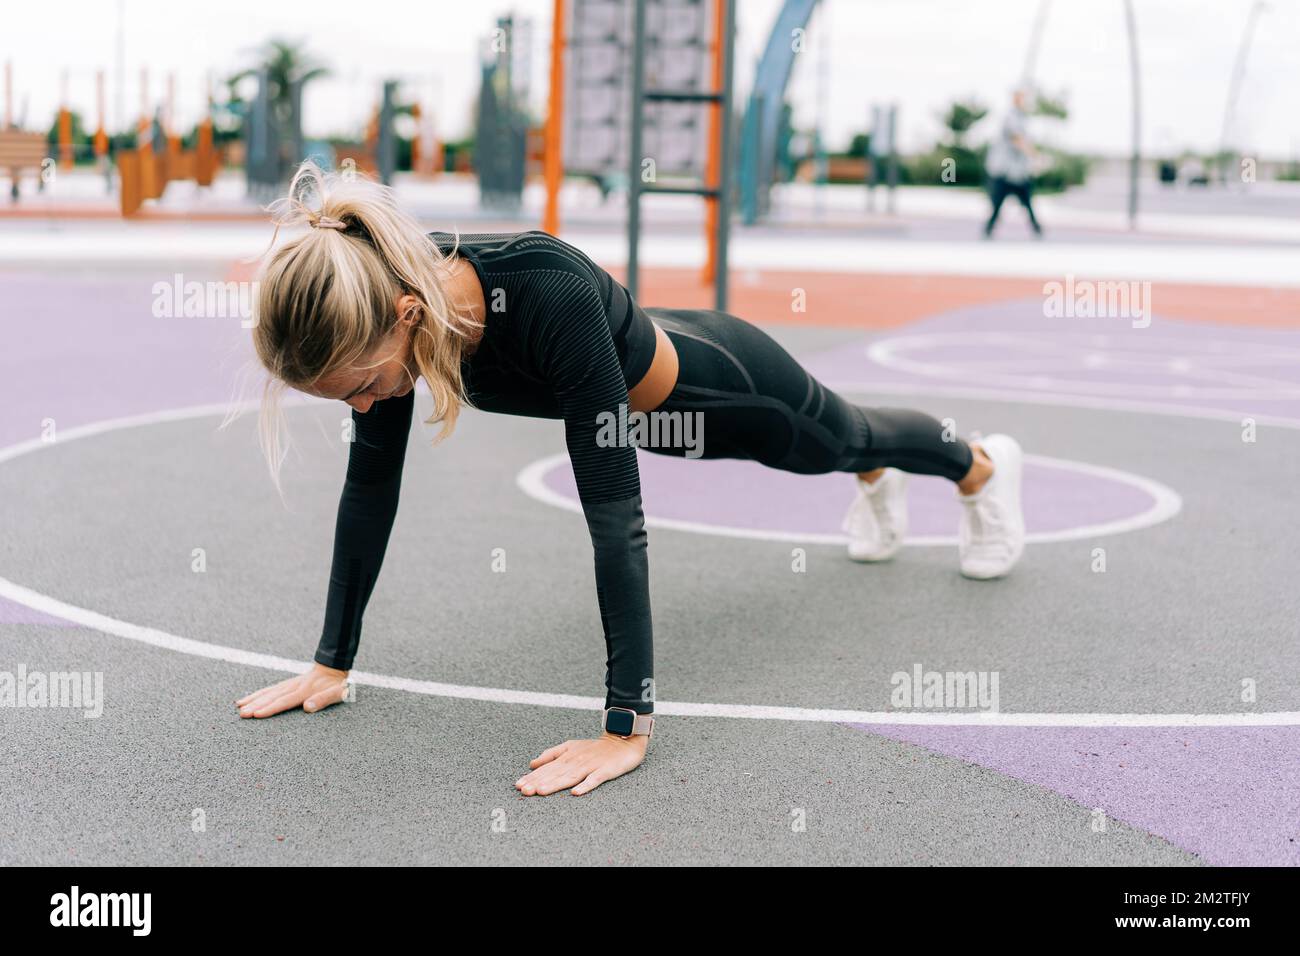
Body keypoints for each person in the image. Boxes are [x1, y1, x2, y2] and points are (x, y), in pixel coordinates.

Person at [235, 162, 1026, 797]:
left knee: (844, 435)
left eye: (364, 387)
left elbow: (615, 519)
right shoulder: (379, 289)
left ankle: (980, 467)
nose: (368, 407)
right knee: (849, 448)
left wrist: (625, 727)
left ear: (408, 314)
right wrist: (331, 663)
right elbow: (370, 486)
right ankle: (877, 475)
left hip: (733, 395)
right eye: (350, 399)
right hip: (650, 409)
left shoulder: (546, 292)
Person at [984, 89, 1042, 238]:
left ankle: (1037, 229)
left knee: (1027, 203)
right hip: (1005, 171)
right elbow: (1017, 139)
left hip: (1017, 172)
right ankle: (988, 229)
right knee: (999, 205)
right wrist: (1035, 156)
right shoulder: (1012, 117)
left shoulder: (1022, 118)